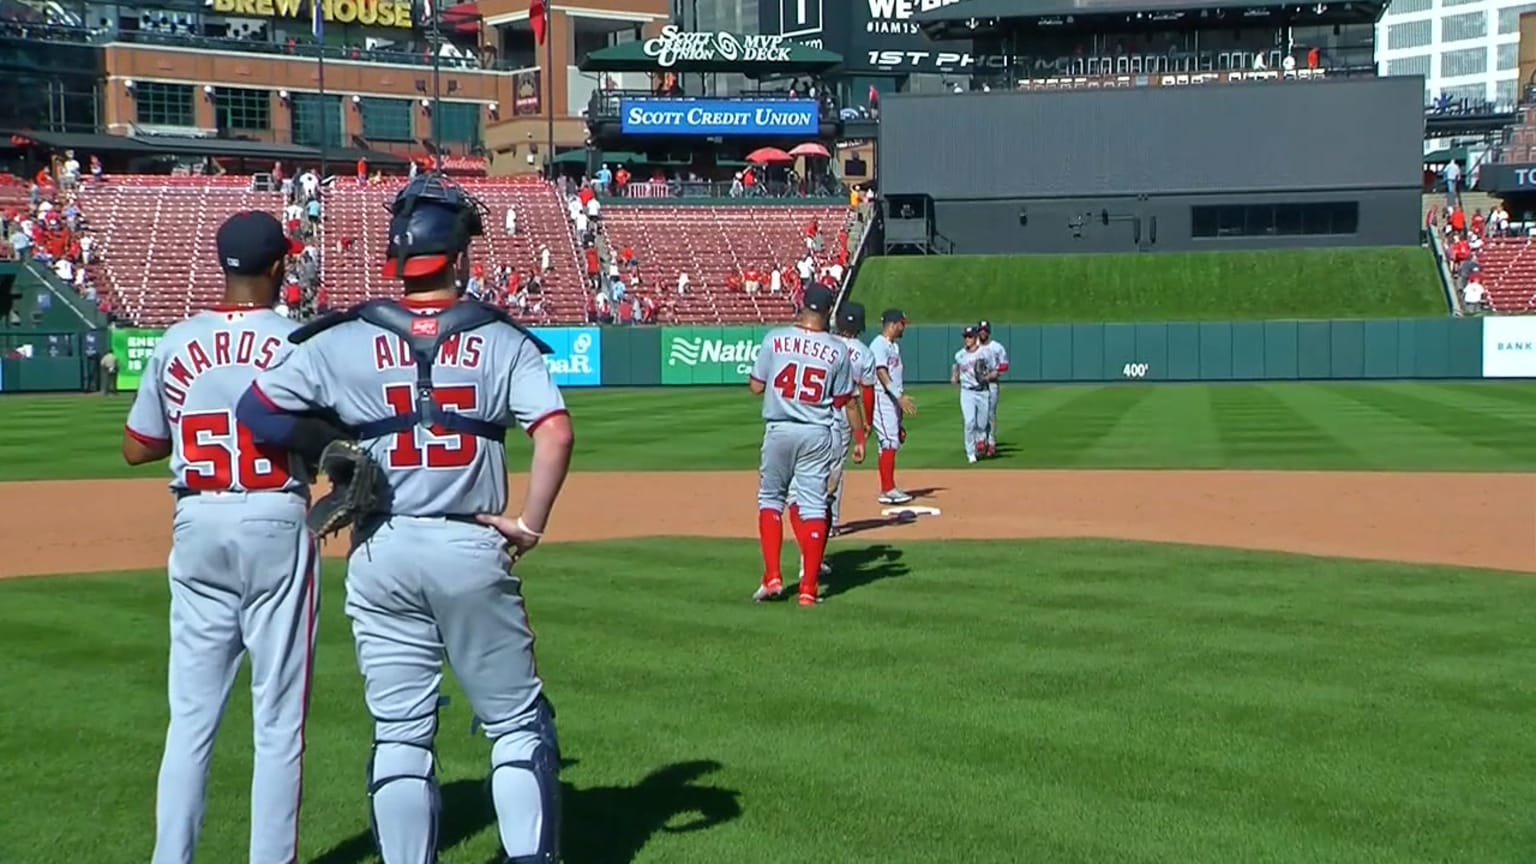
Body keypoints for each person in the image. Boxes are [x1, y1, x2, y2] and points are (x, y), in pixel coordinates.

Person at [236, 174, 574, 864]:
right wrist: (529, 525)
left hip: (380, 546)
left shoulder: (343, 336)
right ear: (458, 257)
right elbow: (556, 432)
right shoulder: (500, 338)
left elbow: (258, 411)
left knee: (401, 733)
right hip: (470, 539)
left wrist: (334, 449)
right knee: (515, 723)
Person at [122, 210, 316, 864]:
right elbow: (330, 436)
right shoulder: (299, 342)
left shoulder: (179, 341)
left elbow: (136, 446)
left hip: (198, 519)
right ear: (280, 267)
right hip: (275, 517)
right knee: (278, 724)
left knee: (192, 721)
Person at [749, 284, 865, 606]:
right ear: (829, 311)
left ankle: (772, 577)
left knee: (771, 499)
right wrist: (859, 436)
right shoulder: (838, 349)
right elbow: (844, 400)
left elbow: (756, 386)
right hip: (817, 432)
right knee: (814, 504)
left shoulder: (775, 339)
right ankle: (808, 591)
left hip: (780, 428)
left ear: (802, 305)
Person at [826, 302, 874, 535]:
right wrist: (866, 425)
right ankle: (831, 521)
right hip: (845, 412)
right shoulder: (864, 352)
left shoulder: (825, 344)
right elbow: (867, 391)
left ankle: (805, 511)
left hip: (817, 410)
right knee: (835, 467)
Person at [869, 309, 916, 504]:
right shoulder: (879, 345)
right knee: (890, 442)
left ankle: (887, 488)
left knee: (890, 442)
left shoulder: (893, 346)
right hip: (883, 398)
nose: (904, 327)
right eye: (902, 324)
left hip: (892, 400)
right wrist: (899, 397)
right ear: (893, 324)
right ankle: (888, 489)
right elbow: (881, 372)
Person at [952, 327, 993, 463]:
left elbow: (994, 370)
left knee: (982, 423)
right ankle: (971, 453)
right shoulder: (960, 355)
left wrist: (988, 377)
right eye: (965, 337)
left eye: (970, 336)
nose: (967, 339)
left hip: (982, 391)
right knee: (969, 422)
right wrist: (954, 376)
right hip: (967, 391)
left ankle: (981, 438)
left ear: (975, 337)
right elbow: (956, 367)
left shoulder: (984, 353)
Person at [976, 320, 1008, 456]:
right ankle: (980, 440)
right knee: (978, 414)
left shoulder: (996, 347)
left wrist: (995, 373)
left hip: (992, 384)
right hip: (977, 385)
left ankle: (991, 442)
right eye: (981, 330)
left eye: (985, 330)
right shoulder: (973, 346)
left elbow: (1004, 364)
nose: (983, 332)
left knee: (990, 414)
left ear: (989, 332)